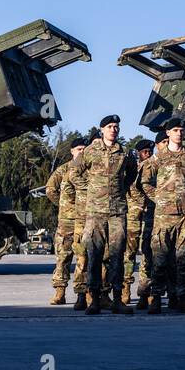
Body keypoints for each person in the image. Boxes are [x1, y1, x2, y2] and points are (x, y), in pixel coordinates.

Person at [68, 115, 139, 315]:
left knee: (117, 255)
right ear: (102, 130)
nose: (113, 130)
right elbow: (74, 173)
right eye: (109, 126)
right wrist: (89, 189)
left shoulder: (124, 152)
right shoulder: (90, 151)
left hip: (117, 211)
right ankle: (94, 300)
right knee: (94, 255)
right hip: (95, 212)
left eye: (116, 127)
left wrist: (123, 188)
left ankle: (117, 298)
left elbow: (133, 173)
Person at [139, 117, 185, 313]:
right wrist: (158, 197)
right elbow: (144, 182)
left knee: (184, 259)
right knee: (160, 260)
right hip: (163, 217)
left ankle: (182, 299)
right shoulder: (158, 157)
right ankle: (156, 299)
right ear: (168, 133)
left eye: (181, 130)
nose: (179, 133)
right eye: (175, 130)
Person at [47, 136, 87, 305]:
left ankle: (81, 294)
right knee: (63, 258)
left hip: (84, 221)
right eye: (78, 149)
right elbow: (50, 190)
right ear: (72, 151)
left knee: (83, 258)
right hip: (66, 222)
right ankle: (60, 292)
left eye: (84, 149)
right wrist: (64, 205)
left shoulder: (90, 171)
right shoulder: (63, 170)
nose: (81, 152)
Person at [123, 138, 154, 306]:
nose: (148, 155)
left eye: (150, 152)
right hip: (133, 217)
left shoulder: (156, 168)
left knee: (148, 255)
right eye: (145, 152)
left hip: (151, 216)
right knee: (129, 254)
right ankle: (125, 288)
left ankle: (145, 291)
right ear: (139, 153)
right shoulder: (133, 170)